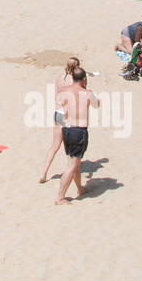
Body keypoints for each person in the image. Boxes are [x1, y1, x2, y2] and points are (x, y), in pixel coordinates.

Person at [54, 67, 99, 205]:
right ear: (84, 79)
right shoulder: (87, 93)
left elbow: (59, 111)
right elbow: (96, 105)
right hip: (78, 131)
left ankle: (80, 189)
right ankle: (60, 197)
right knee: (72, 164)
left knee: (75, 164)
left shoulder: (64, 92)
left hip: (67, 129)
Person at [40, 57, 80, 184]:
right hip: (68, 115)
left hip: (58, 112)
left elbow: (56, 97)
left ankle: (44, 172)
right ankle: (73, 178)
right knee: (70, 150)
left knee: (54, 146)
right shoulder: (73, 80)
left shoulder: (59, 78)